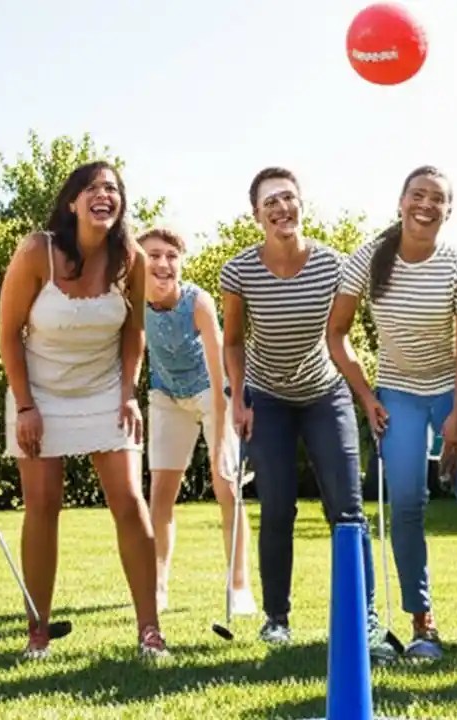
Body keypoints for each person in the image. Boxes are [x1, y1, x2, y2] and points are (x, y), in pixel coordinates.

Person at [327, 165, 457, 659]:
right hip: (397, 392)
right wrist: (367, 396)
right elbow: (336, 334)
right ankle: (422, 622)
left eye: (437, 199)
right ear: (401, 202)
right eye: (418, 195)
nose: (426, 205)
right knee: (408, 502)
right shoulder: (367, 260)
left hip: (454, 389)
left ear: (448, 211)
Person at [219, 166, 399, 666]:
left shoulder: (333, 266)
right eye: (270, 202)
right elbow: (233, 341)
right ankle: (276, 619)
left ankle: (364, 617)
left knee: (348, 510)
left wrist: (365, 396)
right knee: (277, 508)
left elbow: (341, 338)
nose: (282, 208)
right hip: (267, 397)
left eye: (288, 198)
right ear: (256, 215)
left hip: (324, 393)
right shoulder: (239, 271)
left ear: (301, 203)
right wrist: (238, 400)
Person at [0, 160, 166, 660]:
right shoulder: (37, 251)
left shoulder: (131, 259)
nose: (103, 195)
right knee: (43, 505)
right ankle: (37, 633)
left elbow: (134, 332)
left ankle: (150, 632)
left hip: (106, 392)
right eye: (92, 187)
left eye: (112, 188)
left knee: (129, 502)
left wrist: (129, 393)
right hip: (39, 396)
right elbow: (9, 333)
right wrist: (25, 406)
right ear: (72, 202)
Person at [138, 226, 255, 615]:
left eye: (171, 256)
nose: (163, 263)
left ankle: (239, 587)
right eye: (153, 255)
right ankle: (157, 587)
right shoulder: (132, 301)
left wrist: (221, 444)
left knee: (227, 487)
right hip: (166, 395)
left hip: (210, 392)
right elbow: (131, 352)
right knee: (161, 494)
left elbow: (220, 374)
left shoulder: (197, 302)